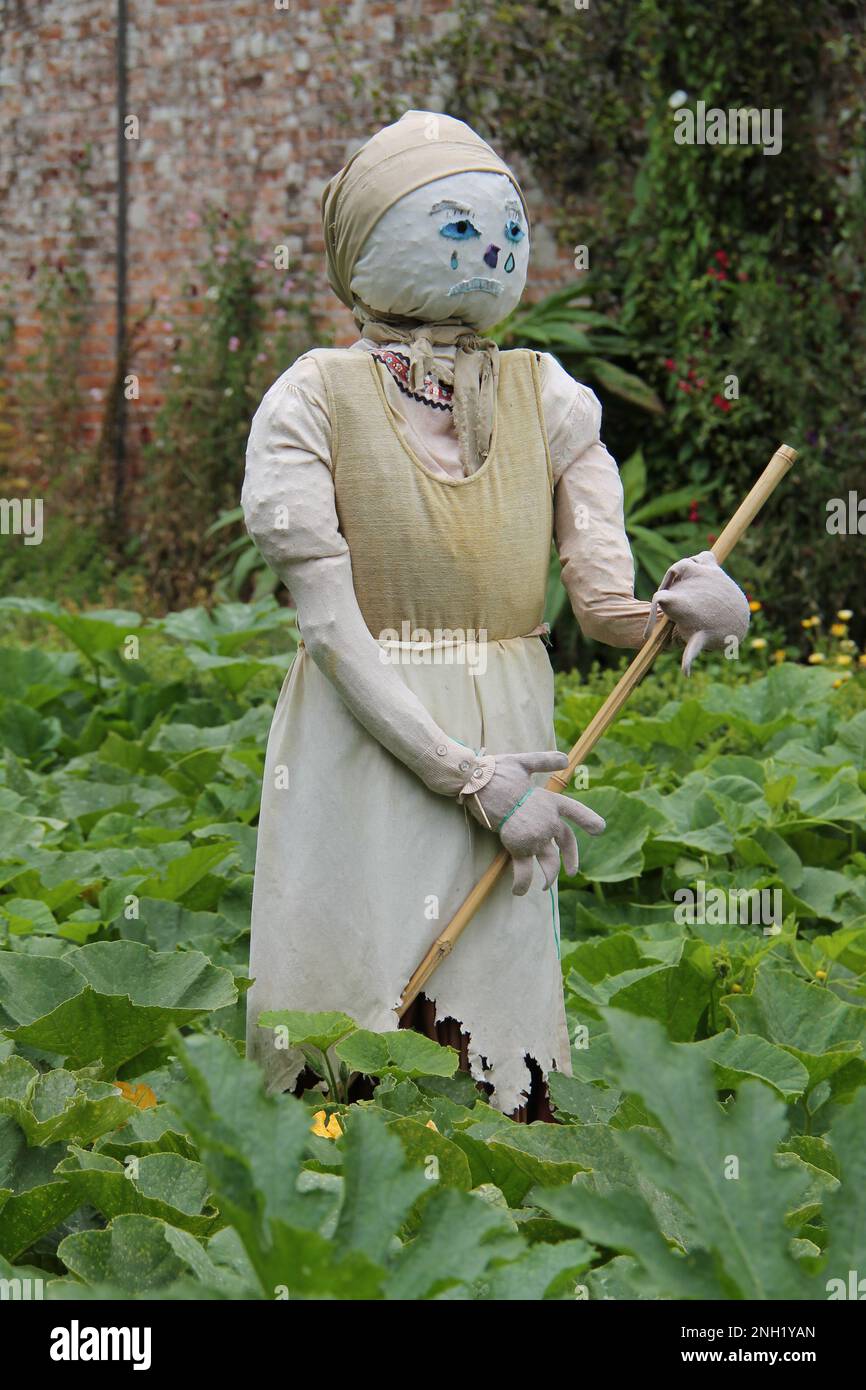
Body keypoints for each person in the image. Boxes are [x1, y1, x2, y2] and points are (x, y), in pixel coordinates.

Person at [241, 111, 749, 1120]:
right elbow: (331, 627)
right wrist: (471, 779)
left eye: (507, 234)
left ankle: (505, 1169)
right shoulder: (312, 399)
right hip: (367, 726)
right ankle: (328, 1154)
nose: (492, 255)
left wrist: (686, 602)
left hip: (512, 714)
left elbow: (606, 603)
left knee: (488, 988)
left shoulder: (548, 398)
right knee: (357, 953)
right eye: (457, 231)